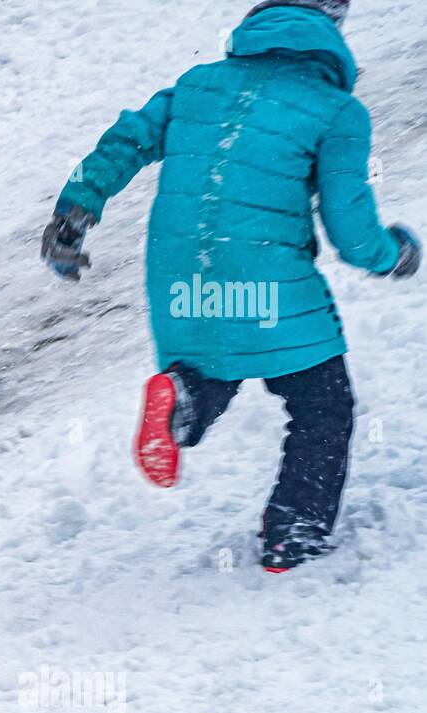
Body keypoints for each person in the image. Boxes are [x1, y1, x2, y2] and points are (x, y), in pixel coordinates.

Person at [40, 0, 420, 572]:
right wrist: (392, 254)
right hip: (266, 274)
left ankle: (182, 405)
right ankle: (294, 536)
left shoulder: (198, 83)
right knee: (322, 408)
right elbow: (350, 227)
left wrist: (74, 211)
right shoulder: (337, 111)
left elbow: (126, 140)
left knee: (214, 363)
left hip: (178, 271)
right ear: (333, 27)